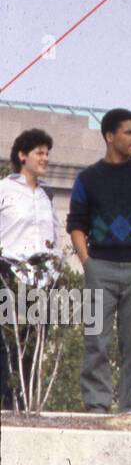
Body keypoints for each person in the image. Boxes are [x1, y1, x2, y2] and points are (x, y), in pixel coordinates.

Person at [66, 109, 131, 413]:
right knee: (95, 340)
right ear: (110, 136)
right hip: (100, 268)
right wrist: (88, 263)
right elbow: (76, 225)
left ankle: (128, 409)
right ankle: (97, 406)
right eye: (128, 132)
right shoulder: (87, 179)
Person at [1, 129, 61, 409]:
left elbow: (54, 235)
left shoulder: (46, 195)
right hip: (8, 274)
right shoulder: (4, 189)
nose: (45, 158)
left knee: (33, 346)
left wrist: (56, 268)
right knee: (7, 347)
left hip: (40, 280)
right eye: (39, 152)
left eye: (47, 153)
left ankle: (24, 407)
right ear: (22, 155)